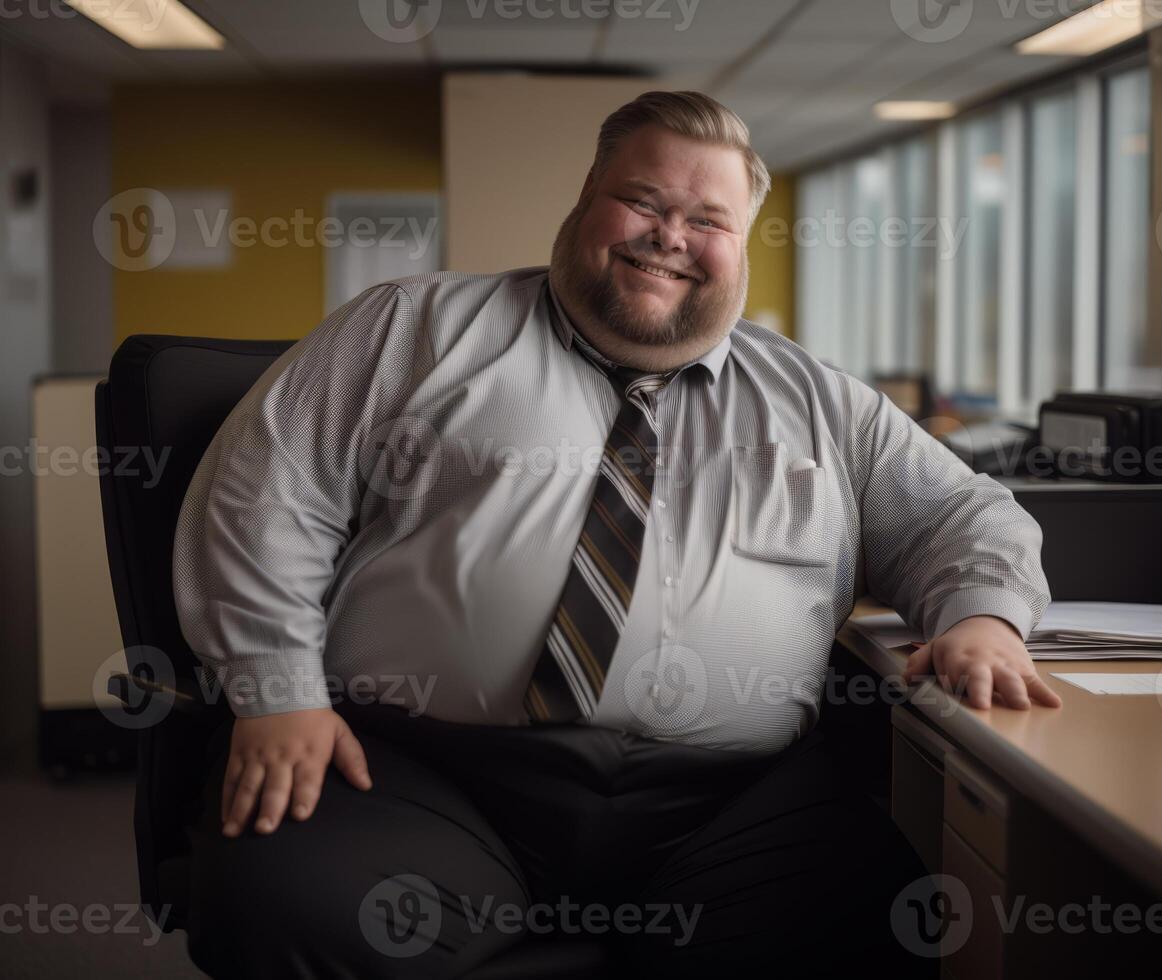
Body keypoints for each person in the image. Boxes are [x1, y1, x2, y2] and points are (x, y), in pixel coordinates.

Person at [172, 90, 1059, 978]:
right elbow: (264, 494)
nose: (669, 235)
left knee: (881, 927)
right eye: (642, 201)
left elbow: (964, 514)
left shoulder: (823, 402)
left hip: (729, 804)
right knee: (288, 910)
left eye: (706, 218)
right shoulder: (412, 327)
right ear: (585, 198)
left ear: (740, 243)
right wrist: (277, 689)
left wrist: (979, 617)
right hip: (419, 773)